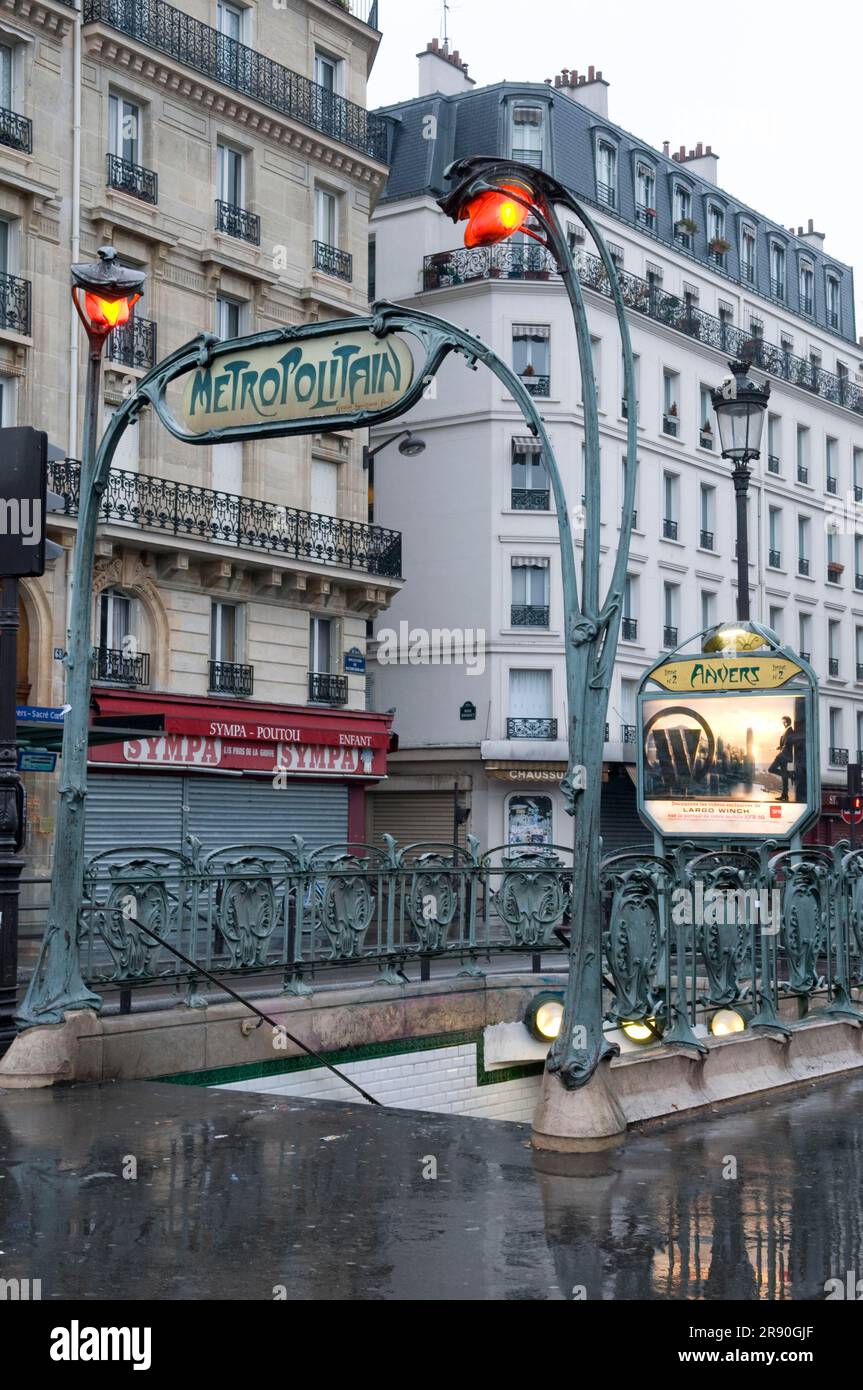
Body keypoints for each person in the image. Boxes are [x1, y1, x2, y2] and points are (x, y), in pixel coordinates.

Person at [768, 716, 794, 801]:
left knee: (771, 769)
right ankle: (785, 795)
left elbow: (788, 744)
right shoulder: (786, 731)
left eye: (784, 722)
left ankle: (790, 774)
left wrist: (782, 749)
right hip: (784, 754)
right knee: (784, 776)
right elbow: (785, 744)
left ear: (787, 722)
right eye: (783, 722)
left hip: (784, 755)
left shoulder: (790, 731)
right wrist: (780, 747)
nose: (783, 724)